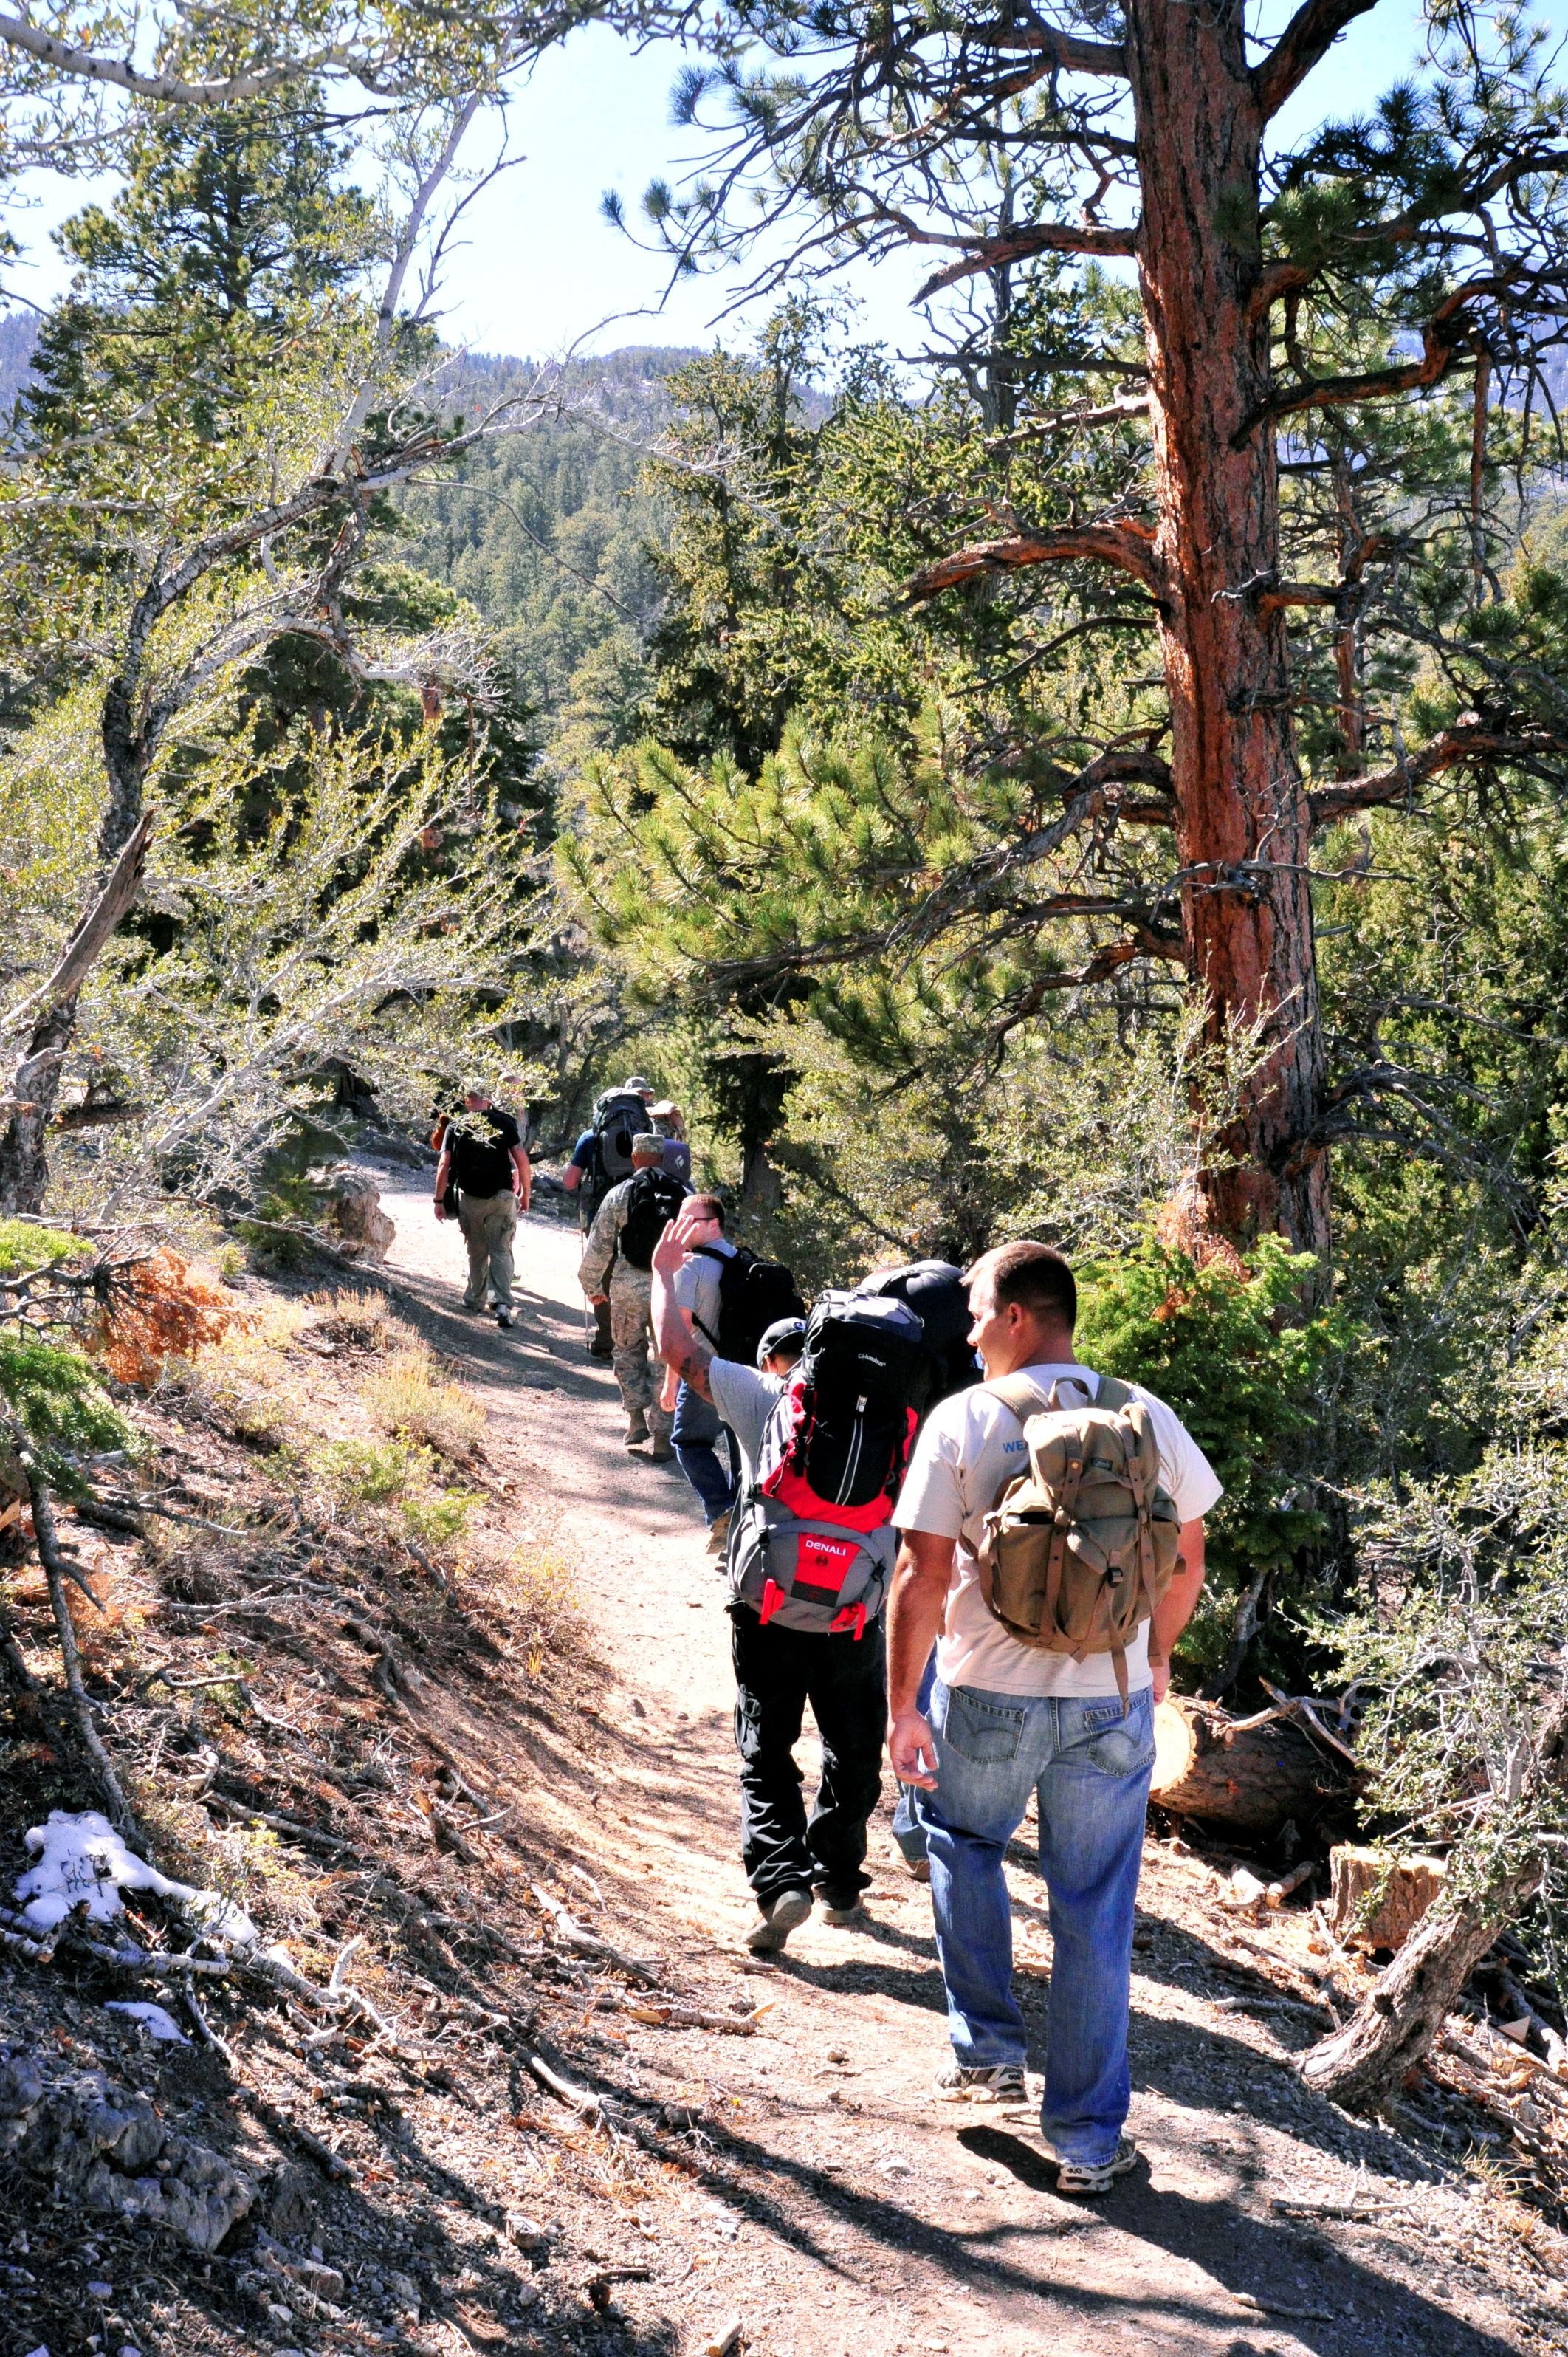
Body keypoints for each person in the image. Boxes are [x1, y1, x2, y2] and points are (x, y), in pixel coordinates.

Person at [887, 1240, 1221, 2194]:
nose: (968, 1327)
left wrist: (904, 1708)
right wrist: (1155, 1656)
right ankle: (1084, 2140)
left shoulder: (962, 1420)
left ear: (1021, 1317)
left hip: (986, 1692)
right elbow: (1189, 1556)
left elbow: (916, 1577)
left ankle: (987, 2049)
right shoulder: (1143, 1412)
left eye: (980, 1310)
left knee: (961, 1840)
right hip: (1107, 1703)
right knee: (1094, 1914)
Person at [653, 1212, 887, 1955]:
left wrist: (664, 1277)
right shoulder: (894, 1419)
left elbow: (676, 1351)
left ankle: (782, 1879)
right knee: (853, 1746)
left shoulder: (762, 1398)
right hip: (854, 1614)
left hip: (768, 1607)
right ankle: (841, 1882)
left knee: (766, 1748)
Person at [578, 1133, 688, 1458]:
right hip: (669, 1286)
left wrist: (593, 1287)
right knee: (666, 1358)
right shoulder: (682, 1193)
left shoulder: (620, 1194)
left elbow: (598, 1247)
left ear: (635, 1158)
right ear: (662, 1158)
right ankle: (662, 1436)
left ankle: (636, 1418)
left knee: (627, 1351)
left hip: (627, 1287)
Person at [658, 1193, 738, 1554]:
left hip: (705, 1372)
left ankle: (723, 1511)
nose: (681, 1226)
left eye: (691, 1220)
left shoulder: (690, 1267)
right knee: (742, 1449)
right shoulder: (742, 1262)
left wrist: (670, 1385)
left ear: (714, 1224)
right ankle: (746, 1523)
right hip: (747, 1372)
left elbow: (681, 1331)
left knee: (688, 1442)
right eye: (679, 1218)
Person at [565, 1077, 656, 1359]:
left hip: (601, 1214)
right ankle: (644, 1342)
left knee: (602, 1278)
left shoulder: (591, 1137)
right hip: (644, 1217)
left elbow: (570, 1181)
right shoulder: (649, 1138)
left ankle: (606, 1342)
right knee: (644, 1274)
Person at [433, 1080, 532, 1329]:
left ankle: (476, 1299)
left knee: (476, 1249)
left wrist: (438, 1200)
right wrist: (526, 1194)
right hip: (501, 1197)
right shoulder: (505, 1121)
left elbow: (444, 1165)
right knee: (500, 1249)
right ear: (488, 1100)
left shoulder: (455, 1126)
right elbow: (521, 1160)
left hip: (471, 1199)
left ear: (467, 1101)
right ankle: (501, 1304)